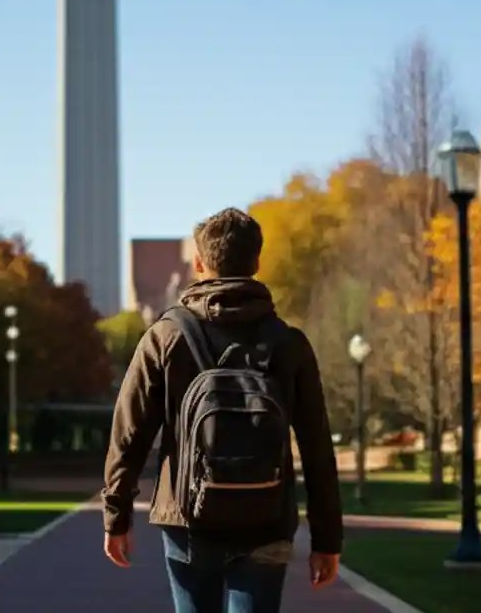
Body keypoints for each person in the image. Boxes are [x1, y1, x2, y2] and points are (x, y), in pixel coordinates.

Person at [102, 207, 343, 612]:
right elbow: (317, 446)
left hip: (187, 517)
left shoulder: (165, 336)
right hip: (268, 516)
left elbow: (130, 433)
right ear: (257, 263)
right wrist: (327, 539)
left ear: (199, 263)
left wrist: (117, 515)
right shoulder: (289, 343)